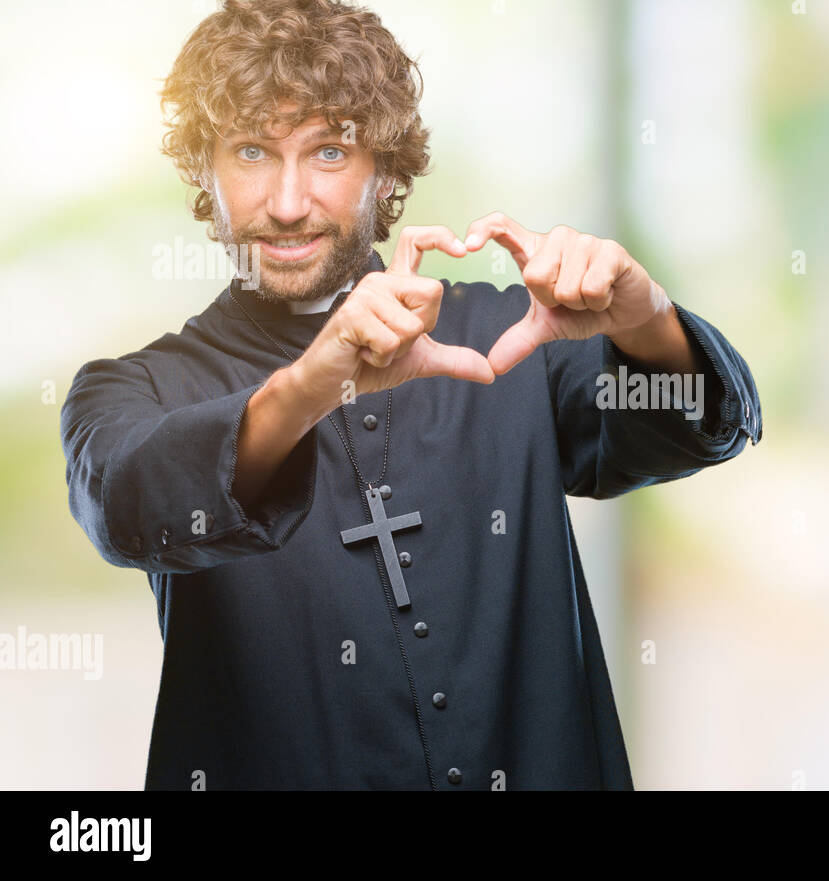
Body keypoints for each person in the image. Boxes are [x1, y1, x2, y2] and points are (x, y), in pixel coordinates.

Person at [61, 0, 761, 790]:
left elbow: (704, 421)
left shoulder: (513, 335)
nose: (289, 202)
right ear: (203, 170)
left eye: (329, 151)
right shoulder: (132, 389)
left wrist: (648, 316)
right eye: (252, 150)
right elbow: (124, 499)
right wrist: (312, 383)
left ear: (386, 170)